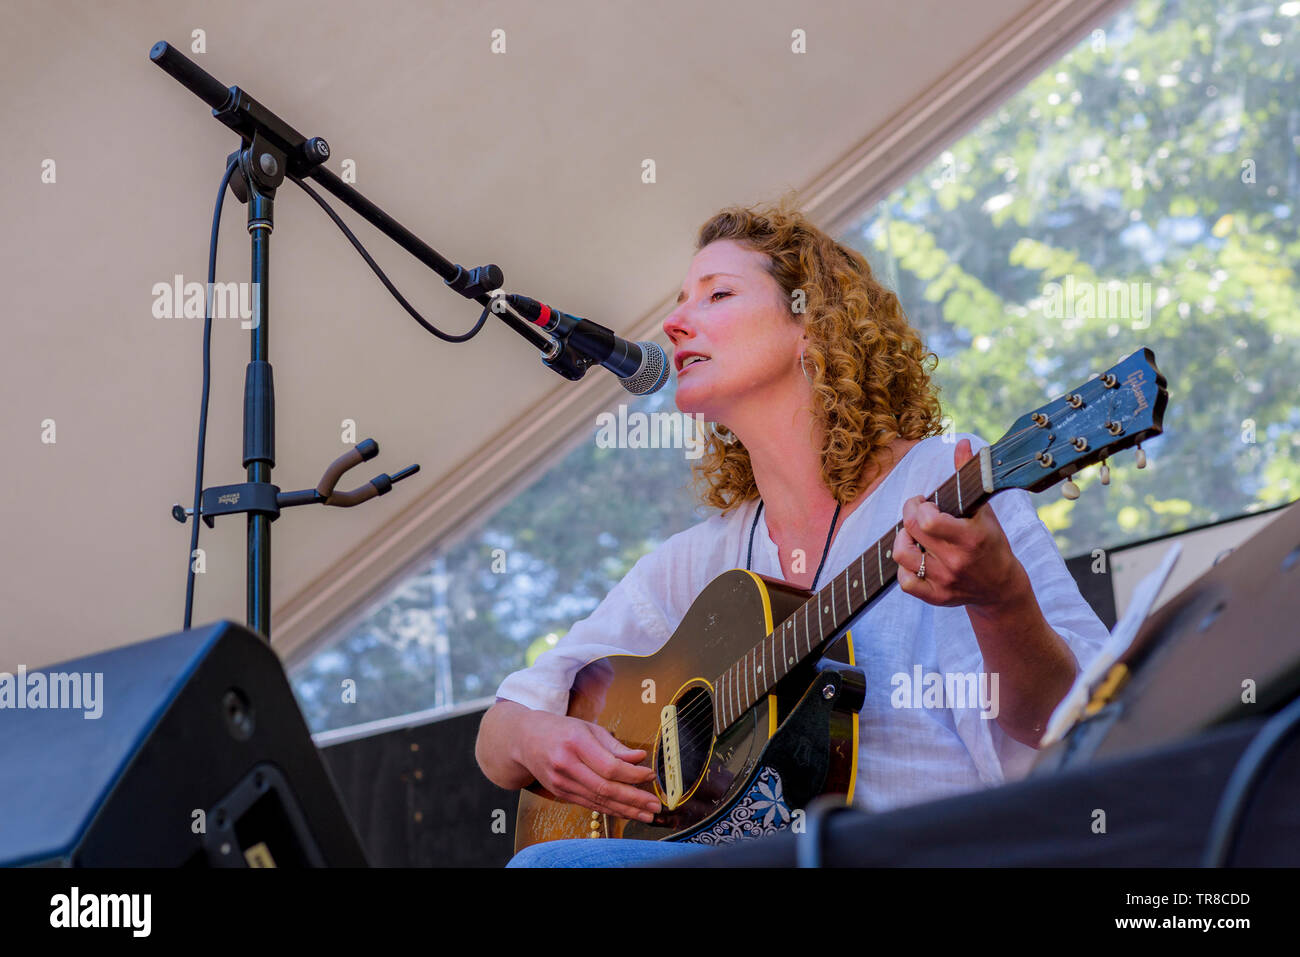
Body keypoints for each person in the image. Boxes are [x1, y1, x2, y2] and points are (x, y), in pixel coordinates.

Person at [475, 194, 1110, 866]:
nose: (674, 323)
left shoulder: (944, 485)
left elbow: (1069, 731)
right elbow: (499, 733)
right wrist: (539, 741)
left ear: (813, 323)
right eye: (680, 300)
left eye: (716, 294)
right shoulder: (699, 562)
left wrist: (999, 596)